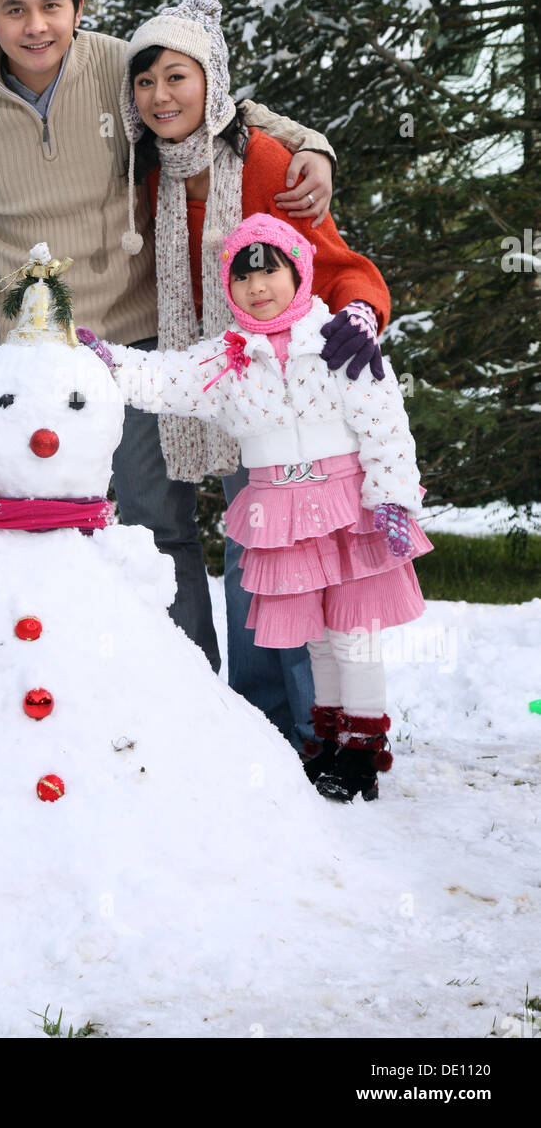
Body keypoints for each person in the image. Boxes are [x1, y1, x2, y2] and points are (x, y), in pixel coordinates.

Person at [0, 0, 337, 675]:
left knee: (158, 524)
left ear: (78, 5)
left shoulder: (120, 66)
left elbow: (212, 104)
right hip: (39, 358)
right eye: (15, 10)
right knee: (44, 529)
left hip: (143, 338)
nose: (36, 26)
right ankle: (84, 696)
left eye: (53, 5)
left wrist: (311, 142)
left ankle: (203, 705)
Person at [110, 0, 391, 753]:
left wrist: (359, 316)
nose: (161, 96)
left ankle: (279, 725)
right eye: (146, 82)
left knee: (262, 551)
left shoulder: (263, 159)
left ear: (211, 80)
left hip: (264, 381)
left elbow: (340, 267)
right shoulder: (143, 170)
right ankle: (193, 705)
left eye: (178, 77)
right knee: (159, 534)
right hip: (180, 367)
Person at [97, 213, 432, 801]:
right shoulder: (228, 361)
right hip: (283, 511)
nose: (258, 288)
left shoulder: (338, 340)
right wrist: (105, 361)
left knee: (355, 637)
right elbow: (162, 378)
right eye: (243, 278)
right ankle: (326, 743)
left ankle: (361, 753)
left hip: (349, 506)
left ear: (299, 271)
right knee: (318, 641)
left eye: (270, 271)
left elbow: (385, 424)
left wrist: (394, 498)